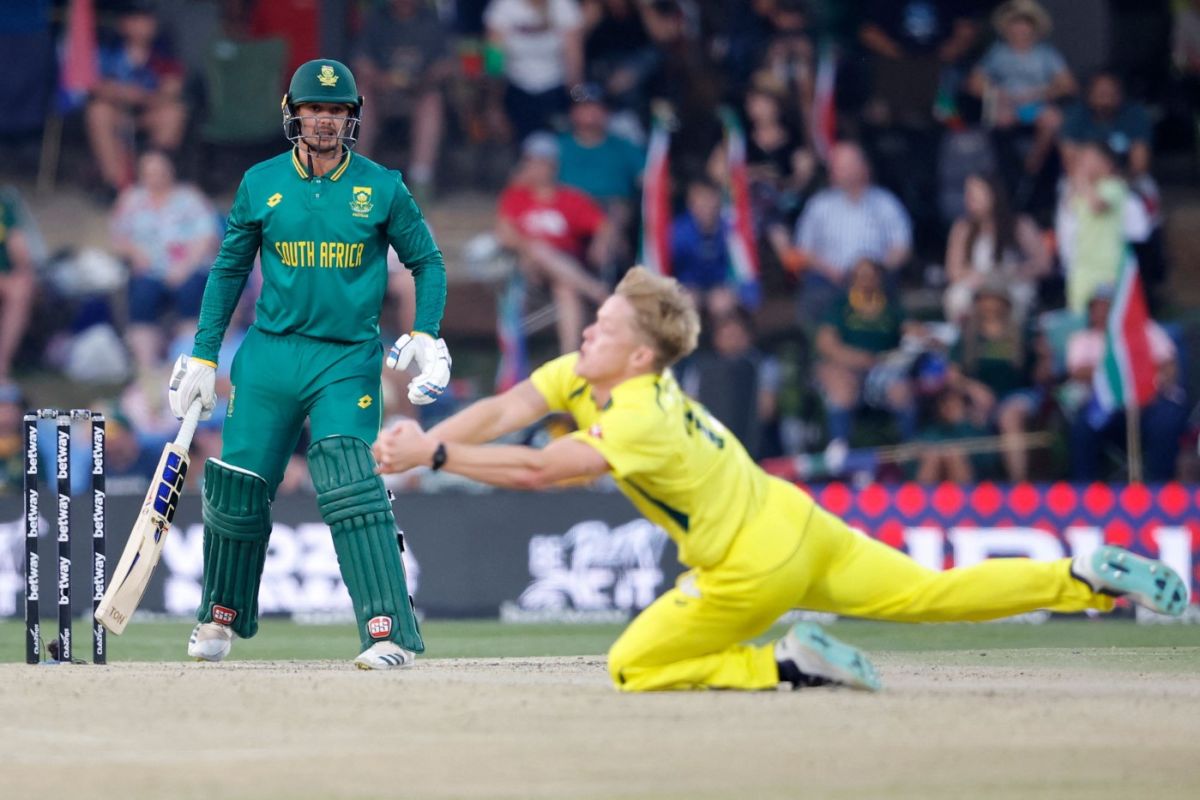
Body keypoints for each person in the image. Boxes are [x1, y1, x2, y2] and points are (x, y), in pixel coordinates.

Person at [373, 266, 1186, 693]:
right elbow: (511, 406)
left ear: (641, 355)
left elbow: (542, 472)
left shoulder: (639, 416)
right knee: (931, 595)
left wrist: (433, 460)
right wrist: (423, 438)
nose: (586, 332)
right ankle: (1082, 577)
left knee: (634, 667)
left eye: (604, 328)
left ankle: (788, 665)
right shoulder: (596, 377)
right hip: (799, 522)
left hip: (750, 568)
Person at [167, 59, 452, 670]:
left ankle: (386, 631)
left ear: (352, 118)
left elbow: (428, 262)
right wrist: (202, 353)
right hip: (269, 354)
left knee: (348, 475)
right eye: (315, 109)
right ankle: (219, 616)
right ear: (293, 114)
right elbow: (229, 270)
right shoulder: (260, 182)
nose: (325, 120)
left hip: (346, 356)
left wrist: (426, 334)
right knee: (236, 486)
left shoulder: (381, 186)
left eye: (337, 111)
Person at [110, 150, 219, 372]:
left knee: (191, 294)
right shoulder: (131, 199)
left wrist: (185, 267)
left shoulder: (189, 197)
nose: (156, 177)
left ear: (171, 171)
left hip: (189, 268)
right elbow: (117, 238)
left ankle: (186, 366)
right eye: (150, 172)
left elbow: (208, 236)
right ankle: (147, 369)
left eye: (160, 171)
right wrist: (135, 253)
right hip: (149, 270)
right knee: (142, 295)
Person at [85, 4, 187, 197]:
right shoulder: (109, 51)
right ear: (123, 24)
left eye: (147, 20)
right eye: (136, 20)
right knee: (98, 111)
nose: (143, 26)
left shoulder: (163, 53)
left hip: (147, 114)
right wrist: (123, 94)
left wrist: (142, 97)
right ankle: (114, 184)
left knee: (174, 113)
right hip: (117, 113)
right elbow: (96, 87)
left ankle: (155, 178)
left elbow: (172, 89)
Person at [942, 173, 1050, 324]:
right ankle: (968, 340)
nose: (969, 198)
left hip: (1011, 282)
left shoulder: (1019, 224)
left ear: (993, 194)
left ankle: (1013, 339)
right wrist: (973, 276)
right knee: (957, 297)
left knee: (1021, 295)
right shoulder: (963, 228)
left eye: (975, 192)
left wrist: (1017, 271)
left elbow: (1043, 263)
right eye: (968, 193)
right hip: (978, 285)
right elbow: (953, 270)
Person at [0, 190, 35, 382]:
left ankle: (1, 367)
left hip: (4, 276)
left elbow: (20, 251)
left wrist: (23, 265)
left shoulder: (5, 203)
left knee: (21, 289)